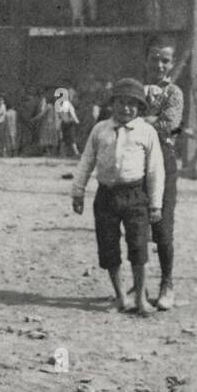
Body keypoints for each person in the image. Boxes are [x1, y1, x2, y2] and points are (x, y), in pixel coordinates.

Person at [71, 80, 164, 315]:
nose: (126, 108)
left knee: (138, 246)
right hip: (106, 196)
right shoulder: (100, 130)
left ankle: (141, 297)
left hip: (135, 195)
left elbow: (155, 170)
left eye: (132, 104)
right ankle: (121, 297)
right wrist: (78, 190)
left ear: (139, 107)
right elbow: (86, 161)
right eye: (121, 102)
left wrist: (155, 204)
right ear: (112, 104)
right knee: (108, 245)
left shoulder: (146, 132)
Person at [142, 35, 185, 311]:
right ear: (147, 59)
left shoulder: (174, 93)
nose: (160, 65)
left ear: (172, 64)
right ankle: (139, 283)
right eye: (155, 58)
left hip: (164, 159)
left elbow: (170, 123)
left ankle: (167, 283)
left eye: (165, 60)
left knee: (163, 225)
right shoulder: (134, 89)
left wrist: (142, 121)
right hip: (136, 160)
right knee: (137, 225)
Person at [54, 89, 80, 157]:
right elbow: (72, 113)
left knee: (64, 139)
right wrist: (76, 120)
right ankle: (75, 153)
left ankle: (62, 153)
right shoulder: (67, 104)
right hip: (69, 123)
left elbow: (59, 115)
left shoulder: (59, 104)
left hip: (64, 123)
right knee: (71, 138)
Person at [34, 91, 59, 157]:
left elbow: (42, 114)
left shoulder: (48, 106)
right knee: (51, 138)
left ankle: (49, 152)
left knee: (47, 138)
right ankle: (51, 153)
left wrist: (35, 119)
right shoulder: (53, 107)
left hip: (47, 124)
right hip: (52, 123)